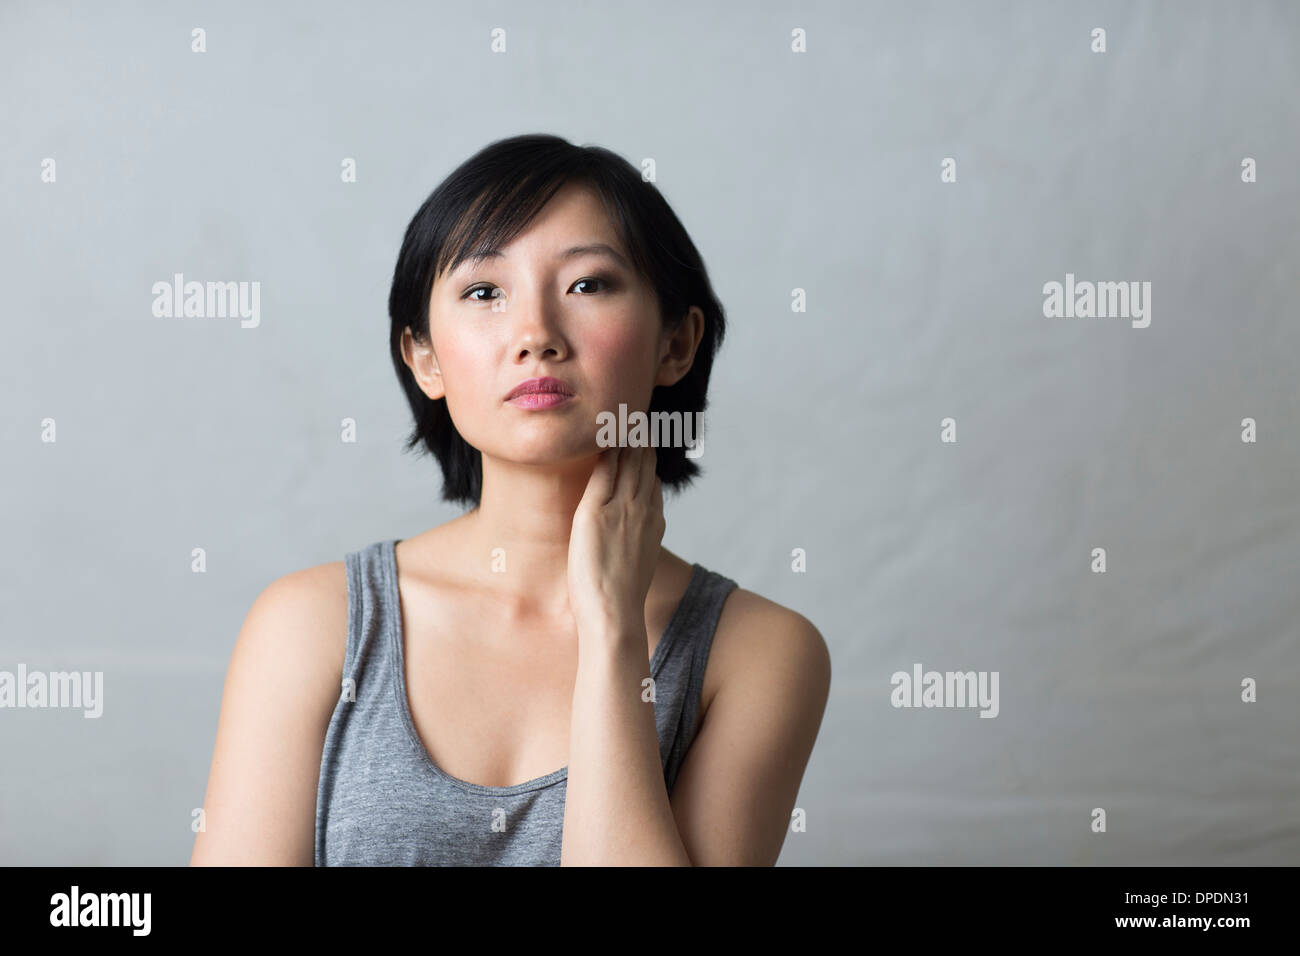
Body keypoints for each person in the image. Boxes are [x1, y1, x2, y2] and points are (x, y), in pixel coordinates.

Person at [190, 134, 831, 866]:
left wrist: (614, 634)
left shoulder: (759, 654)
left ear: (675, 345)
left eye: (587, 284)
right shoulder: (311, 625)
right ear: (424, 357)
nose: (535, 335)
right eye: (484, 292)